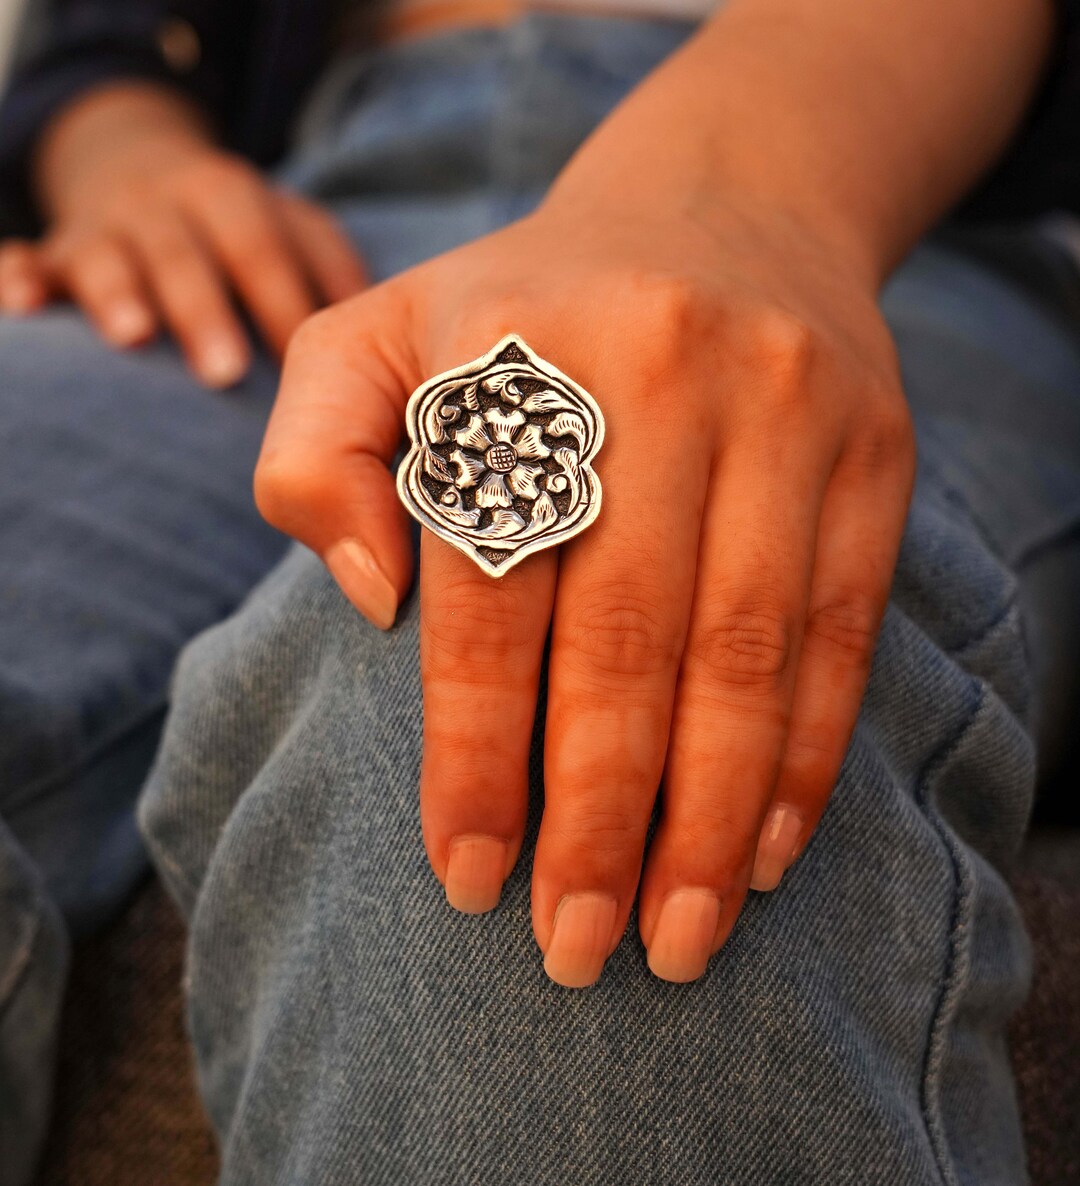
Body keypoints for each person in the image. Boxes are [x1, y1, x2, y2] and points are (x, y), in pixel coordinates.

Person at [1, 0, 1079, 1180]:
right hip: (286, 240)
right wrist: (125, 158)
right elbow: (102, 39)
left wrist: (734, 188)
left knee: (545, 715)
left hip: (881, 191)